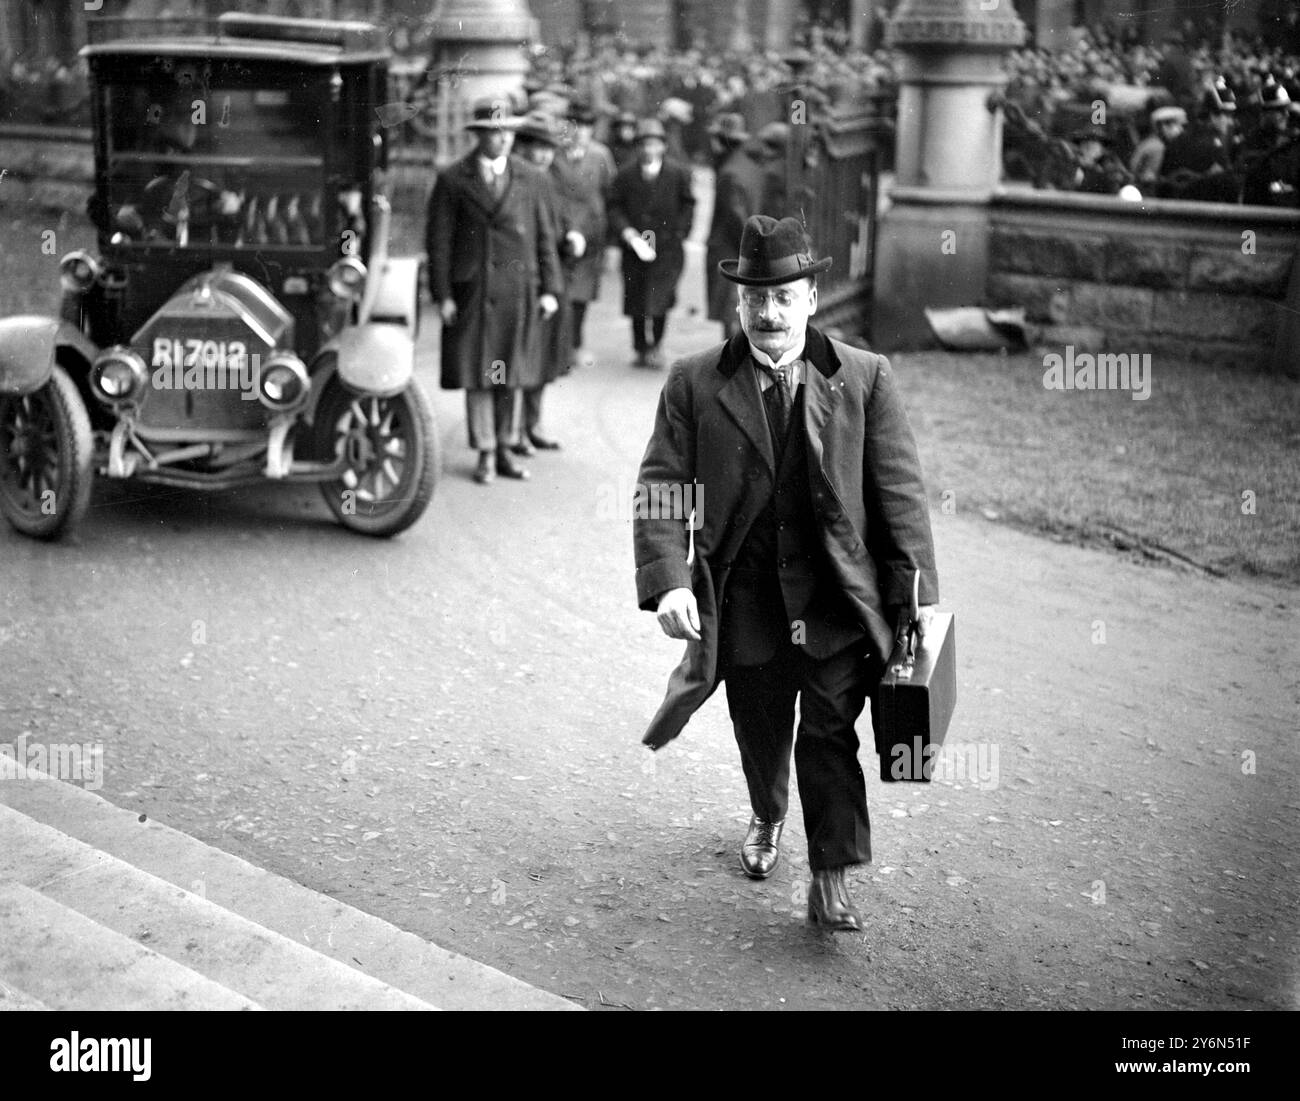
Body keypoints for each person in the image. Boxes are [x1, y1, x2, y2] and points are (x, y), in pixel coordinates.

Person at [632, 215, 939, 932]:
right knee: (762, 724)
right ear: (738, 303)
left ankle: (831, 875)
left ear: (811, 298)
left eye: (783, 296)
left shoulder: (864, 377)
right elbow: (662, 487)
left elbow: (899, 495)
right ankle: (768, 814)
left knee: (829, 730)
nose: (767, 313)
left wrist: (914, 595)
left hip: (835, 598)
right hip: (748, 597)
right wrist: (672, 579)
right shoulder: (696, 383)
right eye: (753, 299)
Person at [426, 96, 561, 485]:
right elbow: (440, 241)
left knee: (509, 371)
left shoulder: (531, 178)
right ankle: (484, 450)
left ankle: (505, 447)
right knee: (480, 372)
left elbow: (544, 238)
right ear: (478, 136)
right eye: (492, 133)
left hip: (519, 290)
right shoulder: (454, 178)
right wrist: (444, 294)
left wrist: (550, 288)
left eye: (506, 133)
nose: (501, 140)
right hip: (474, 291)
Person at [606, 118, 695, 368]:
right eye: (644, 145)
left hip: (666, 248)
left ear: (663, 147)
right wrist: (626, 233)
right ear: (638, 147)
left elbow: (688, 204)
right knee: (636, 297)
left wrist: (678, 232)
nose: (648, 150)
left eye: (654, 144)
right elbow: (614, 206)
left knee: (661, 298)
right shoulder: (625, 175)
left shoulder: (677, 174)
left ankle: (656, 344)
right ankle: (640, 347)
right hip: (634, 245)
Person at [510, 110, 572, 455]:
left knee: (545, 357)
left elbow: (557, 223)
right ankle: (516, 429)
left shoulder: (550, 178)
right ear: (524, 147)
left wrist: (571, 234)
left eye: (550, 148)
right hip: (527, 278)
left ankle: (533, 424)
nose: (545, 154)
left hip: (553, 275)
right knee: (522, 357)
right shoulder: (518, 179)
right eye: (538, 147)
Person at [559, 98, 617, 369]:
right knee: (559, 290)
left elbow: (610, 194)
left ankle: (575, 345)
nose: (579, 132)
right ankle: (559, 346)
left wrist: (610, 240)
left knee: (581, 294)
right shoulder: (555, 153)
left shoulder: (600, 155)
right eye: (574, 126)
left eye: (585, 127)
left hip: (592, 232)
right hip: (560, 230)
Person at [705, 113, 764, 341]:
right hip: (741, 246)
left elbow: (735, 215)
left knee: (731, 310)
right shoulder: (749, 166)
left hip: (730, 249)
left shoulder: (729, 172)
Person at [1159, 78, 1242, 202]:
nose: (1230, 122)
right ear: (1213, 116)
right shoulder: (1214, 145)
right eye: (1227, 115)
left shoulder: (1180, 138)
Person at [1129, 104, 1185, 189]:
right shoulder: (1158, 147)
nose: (1180, 130)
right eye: (1177, 125)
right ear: (1162, 126)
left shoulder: (1150, 142)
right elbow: (1150, 177)